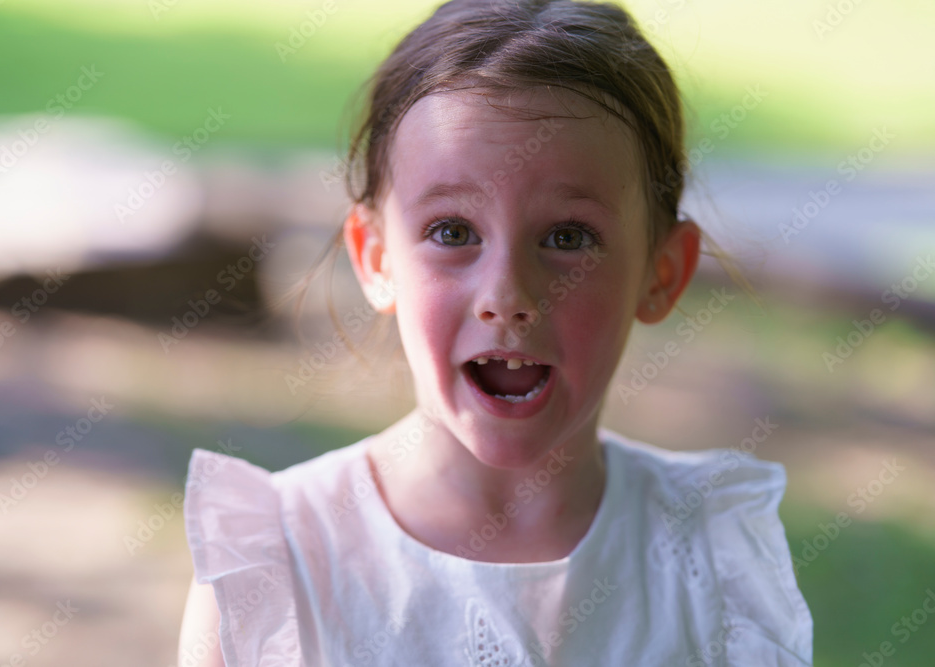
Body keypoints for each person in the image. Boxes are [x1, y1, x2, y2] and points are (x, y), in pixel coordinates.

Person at [177, 0, 813, 664]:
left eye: (568, 238)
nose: (507, 297)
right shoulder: (271, 572)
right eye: (453, 232)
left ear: (662, 272)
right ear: (376, 257)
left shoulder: (717, 563)